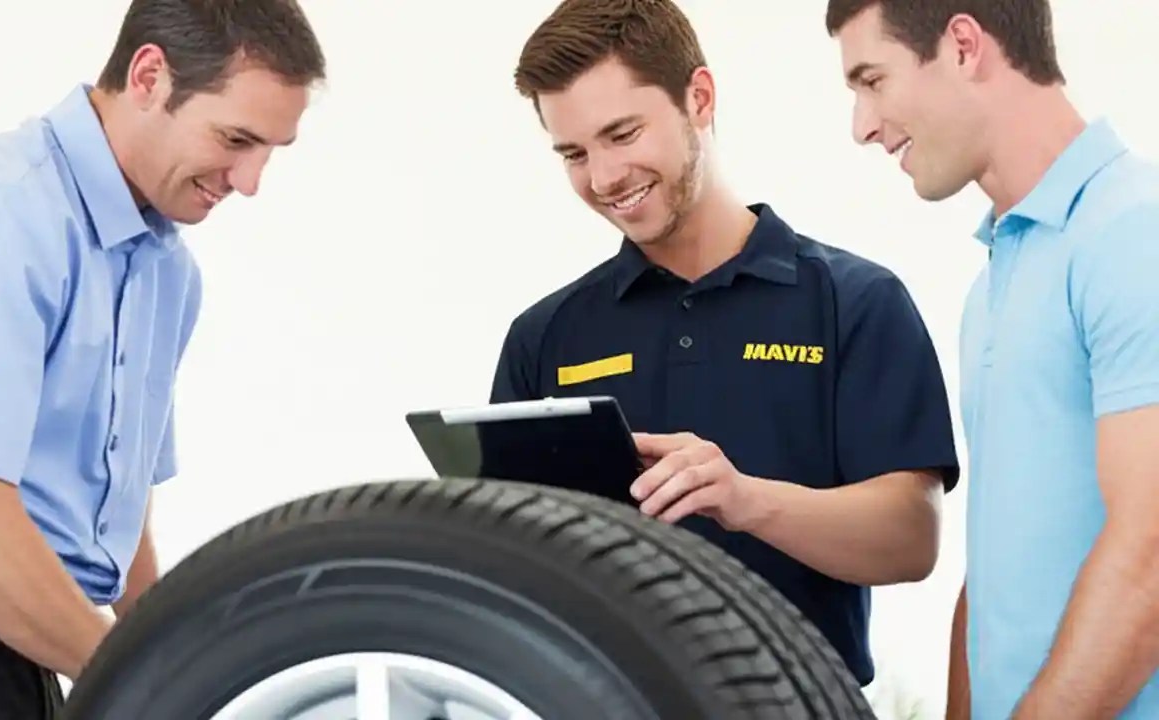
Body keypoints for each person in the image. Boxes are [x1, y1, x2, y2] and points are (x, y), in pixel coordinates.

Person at [491, 0, 960, 688]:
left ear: (699, 99)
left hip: (792, 704)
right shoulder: (545, 337)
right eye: (574, 153)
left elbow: (911, 542)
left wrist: (746, 500)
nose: (603, 177)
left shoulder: (853, 303)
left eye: (622, 133)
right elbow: (510, 563)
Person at [0, 1, 326, 716]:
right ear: (149, 76)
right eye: (236, 139)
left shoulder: (165, 271)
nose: (249, 182)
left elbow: (116, 520)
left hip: (29, 639)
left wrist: (202, 666)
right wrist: (151, 677)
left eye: (271, 151)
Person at [825, 1, 1159, 718]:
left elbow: (1152, 553)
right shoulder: (992, 286)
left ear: (965, 45)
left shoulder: (1137, 229)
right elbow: (997, 570)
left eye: (872, 80)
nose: (862, 126)